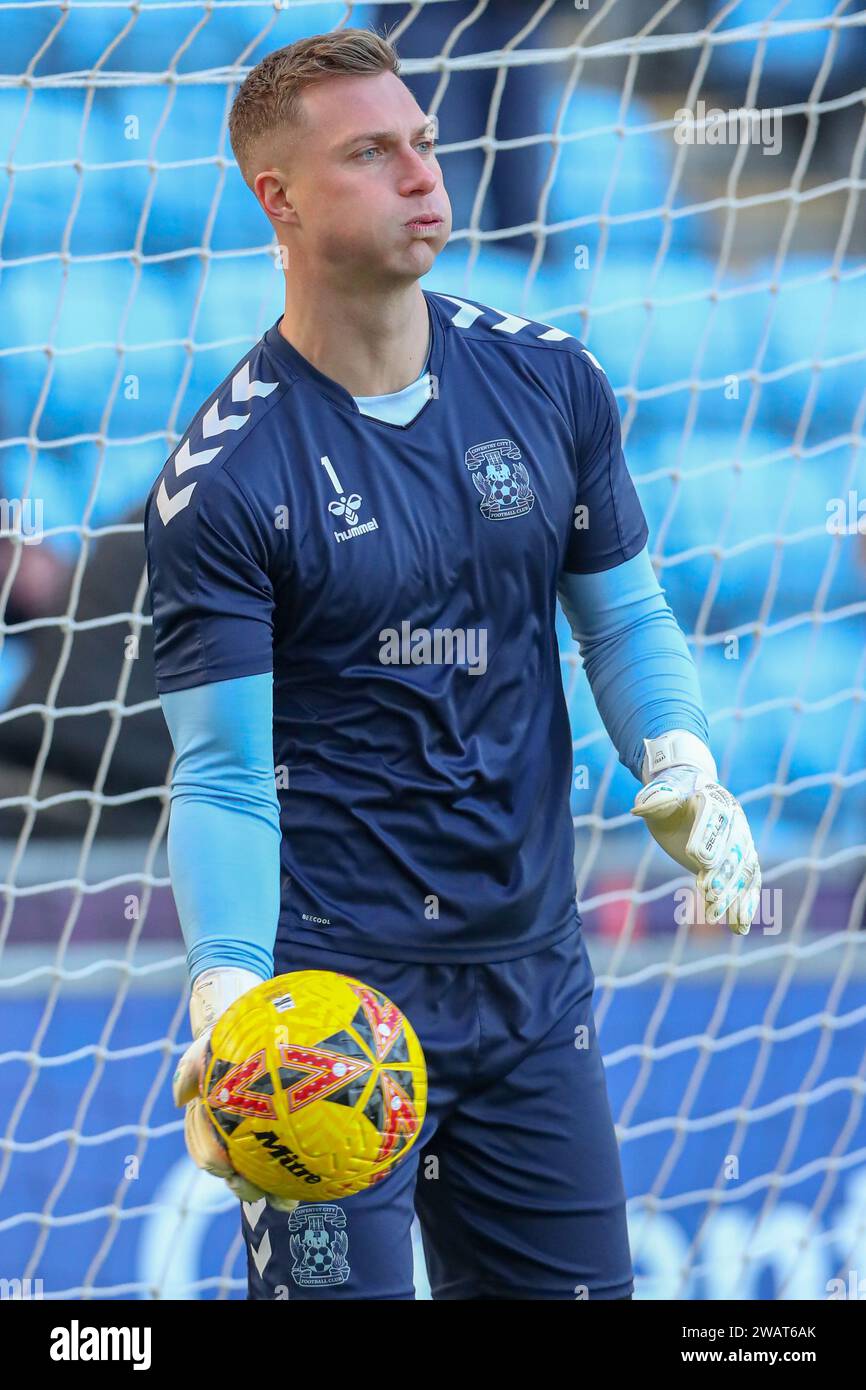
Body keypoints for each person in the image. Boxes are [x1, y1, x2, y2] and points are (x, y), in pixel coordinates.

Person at [144, 28, 761, 1301]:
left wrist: (680, 754)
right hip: (329, 1017)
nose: (422, 174)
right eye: (369, 153)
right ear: (281, 197)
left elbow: (624, 620)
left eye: (422, 141)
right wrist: (224, 997)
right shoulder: (225, 482)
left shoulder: (549, 380)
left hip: (532, 983)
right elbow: (220, 775)